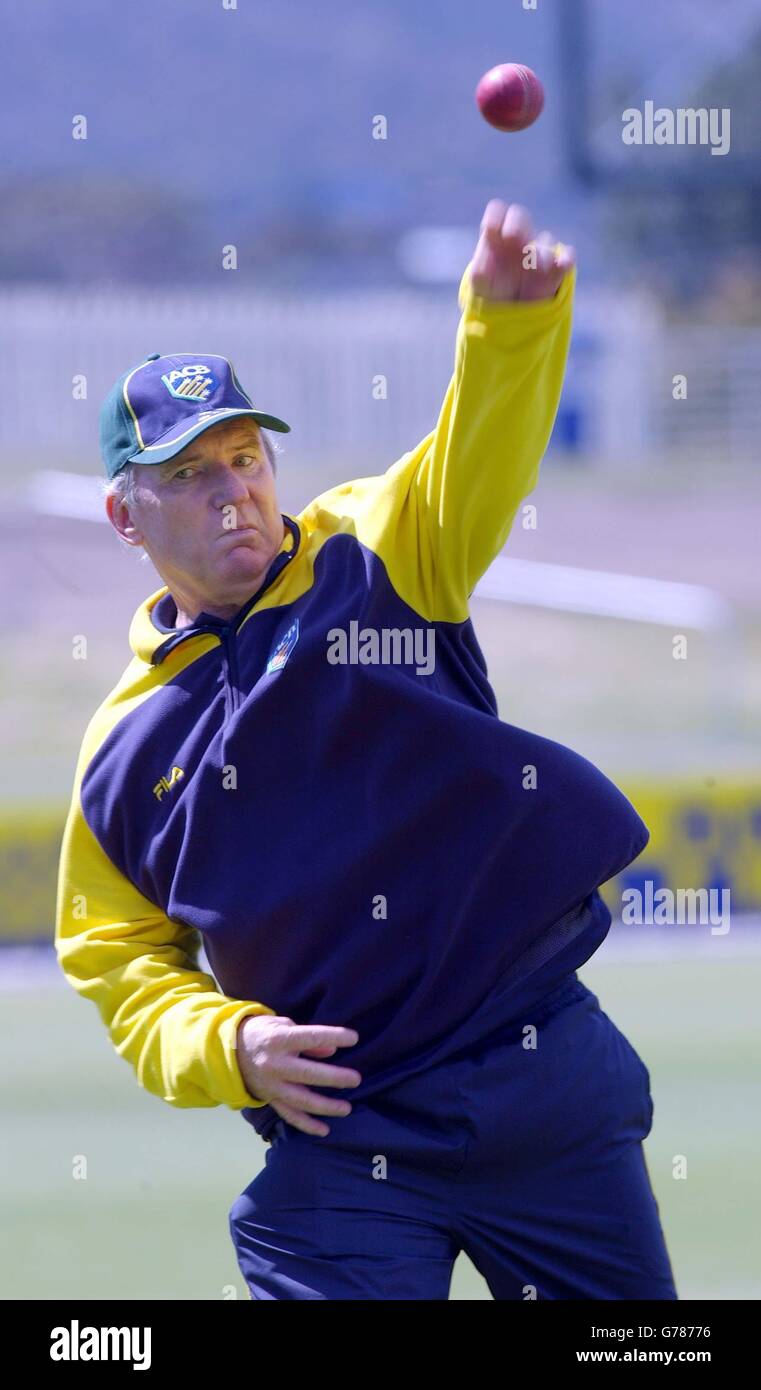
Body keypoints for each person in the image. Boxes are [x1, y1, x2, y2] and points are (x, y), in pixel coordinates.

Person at [55, 200, 677, 1300]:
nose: (233, 493)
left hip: (535, 1067)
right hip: (347, 1131)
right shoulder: (121, 750)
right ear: (125, 513)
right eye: (192, 475)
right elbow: (118, 963)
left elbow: (475, 453)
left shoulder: (378, 554)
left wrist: (508, 319)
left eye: (244, 458)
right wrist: (227, 1045)